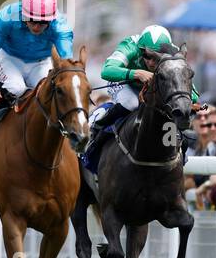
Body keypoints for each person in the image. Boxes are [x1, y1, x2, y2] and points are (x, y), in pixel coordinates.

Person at [83, 24, 199, 168]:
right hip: (124, 82)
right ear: (140, 49)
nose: (150, 62)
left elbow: (192, 93)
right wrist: (136, 73)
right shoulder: (130, 45)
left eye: (156, 58)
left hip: (153, 90)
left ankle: (179, 149)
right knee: (131, 103)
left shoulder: (174, 55)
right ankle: (98, 129)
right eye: (146, 55)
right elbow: (106, 70)